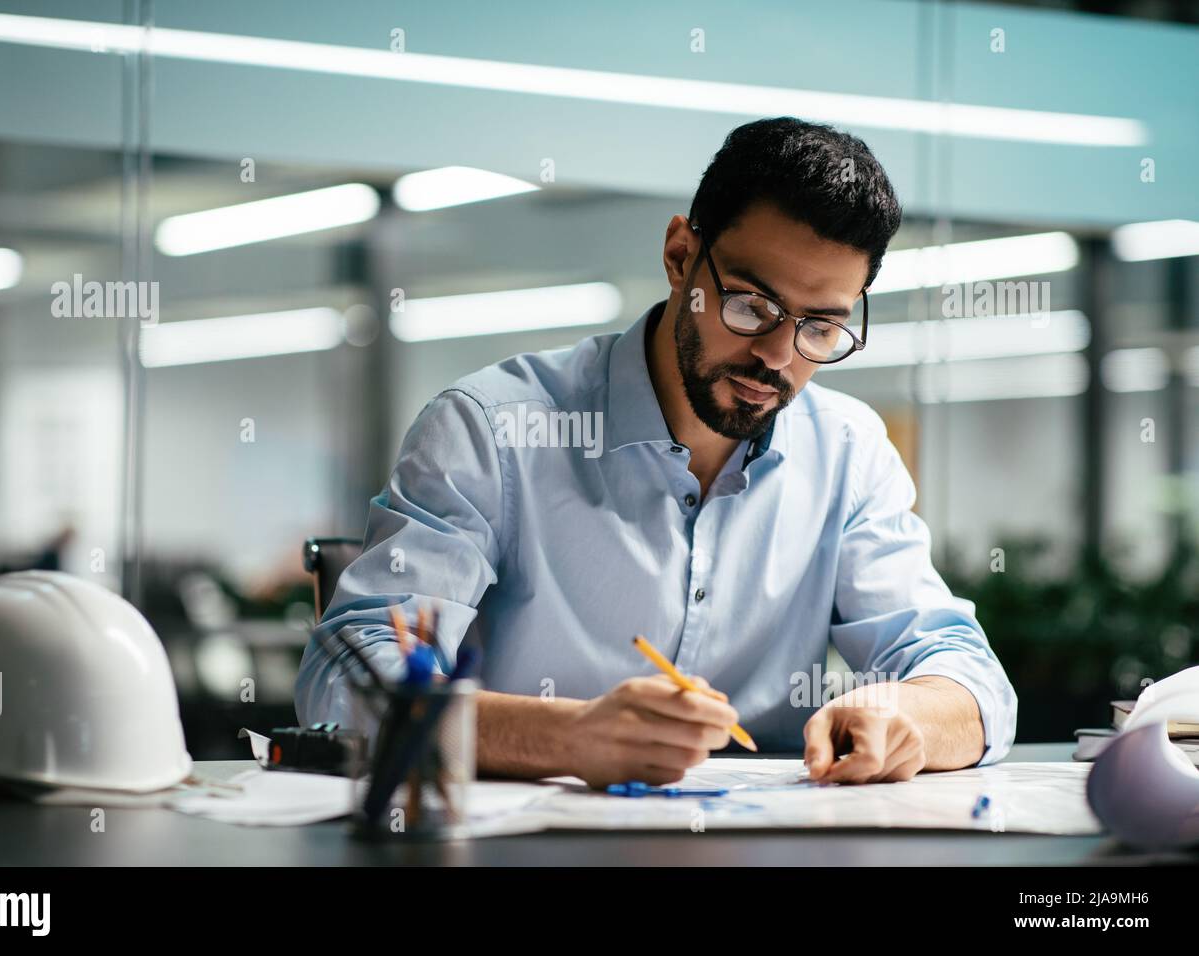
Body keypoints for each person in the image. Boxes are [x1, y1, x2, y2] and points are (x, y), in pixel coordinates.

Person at [296, 117, 1017, 789]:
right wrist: (566, 738)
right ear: (680, 257)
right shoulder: (492, 430)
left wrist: (910, 719)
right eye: (750, 306)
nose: (775, 356)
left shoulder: (849, 454)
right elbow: (344, 686)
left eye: (820, 329)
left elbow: (970, 679)